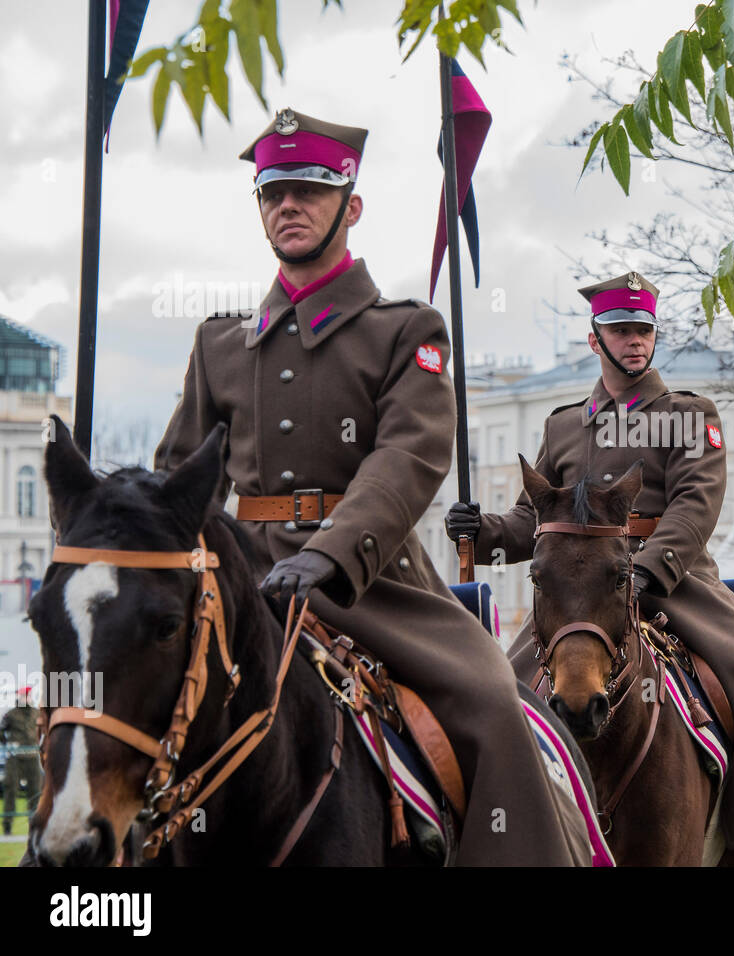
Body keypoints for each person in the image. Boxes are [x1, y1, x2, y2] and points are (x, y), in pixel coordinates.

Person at [155, 108, 588, 865]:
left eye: (310, 190)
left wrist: (330, 555)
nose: (288, 205)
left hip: (370, 586)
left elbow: (406, 458)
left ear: (350, 207)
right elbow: (177, 479)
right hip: (242, 583)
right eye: (272, 192)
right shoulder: (219, 343)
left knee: (493, 703)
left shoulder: (403, 330)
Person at [446, 272, 734, 865]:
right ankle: (487, 825)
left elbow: (695, 504)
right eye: (621, 330)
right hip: (581, 591)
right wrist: (479, 534)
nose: (635, 341)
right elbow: (536, 519)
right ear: (595, 339)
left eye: (643, 330)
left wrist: (646, 571)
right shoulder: (562, 423)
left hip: (674, 578)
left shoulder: (690, 415)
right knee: (501, 689)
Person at [1, 687, 41, 835]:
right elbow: (1, 731)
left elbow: (42, 731)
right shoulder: (10, 714)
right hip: (15, 758)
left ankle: (34, 824)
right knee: (10, 789)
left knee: (35, 791)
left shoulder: (37, 713)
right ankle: (7, 824)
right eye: (23, 695)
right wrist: (8, 744)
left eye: (28, 695)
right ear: (18, 697)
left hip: (32, 756)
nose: (26, 698)